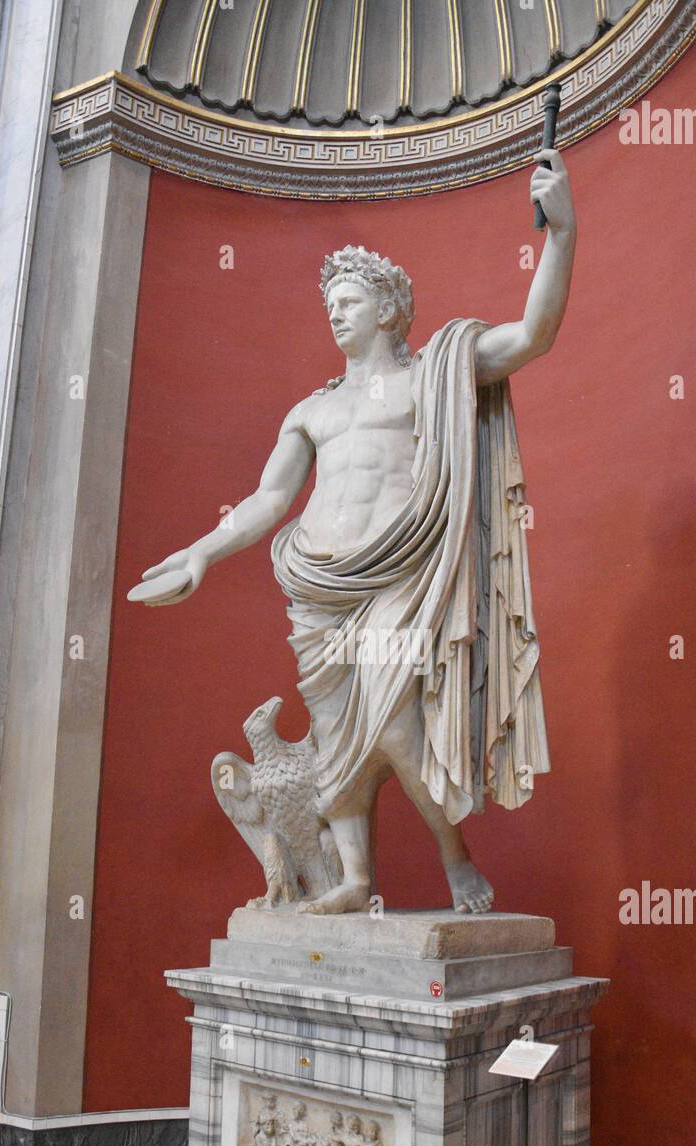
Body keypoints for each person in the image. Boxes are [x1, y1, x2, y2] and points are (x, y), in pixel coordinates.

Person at [134, 152, 576, 916]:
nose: (334, 313)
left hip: (400, 578)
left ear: (388, 310)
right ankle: (356, 879)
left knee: (398, 725)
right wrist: (203, 550)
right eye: (330, 303)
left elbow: (532, 336)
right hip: (318, 585)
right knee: (339, 734)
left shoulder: (434, 373)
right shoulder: (312, 411)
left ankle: (455, 856)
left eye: (348, 301)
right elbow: (271, 498)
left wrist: (562, 232)